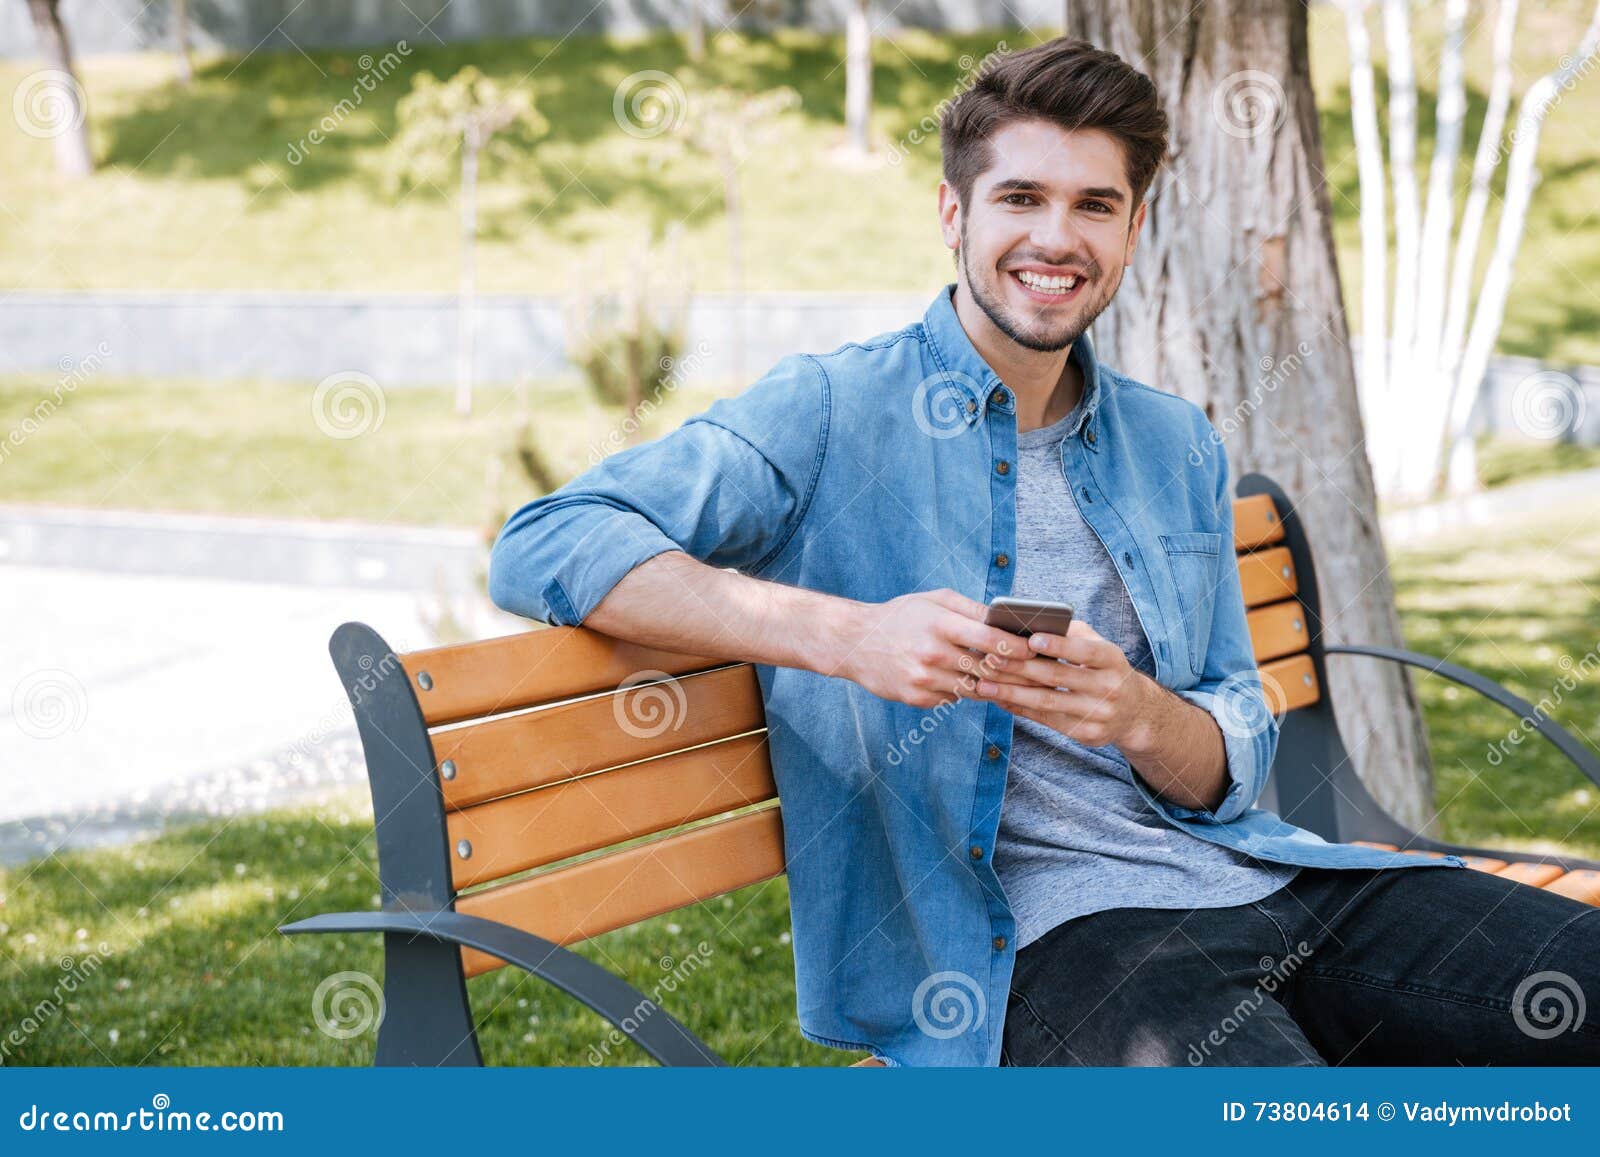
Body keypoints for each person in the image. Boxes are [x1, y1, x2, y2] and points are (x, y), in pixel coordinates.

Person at [487, 36, 1600, 1066]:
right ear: (952, 212)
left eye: (1093, 205)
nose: (1056, 238)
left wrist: (1132, 712)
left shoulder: (1175, 443)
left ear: (1132, 226)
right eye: (1020, 196)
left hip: (1273, 878)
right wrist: (847, 635)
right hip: (1032, 949)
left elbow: (1225, 742)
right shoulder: (832, 410)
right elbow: (548, 540)